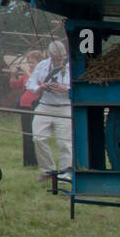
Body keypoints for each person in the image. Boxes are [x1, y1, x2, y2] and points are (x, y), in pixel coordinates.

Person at [28, 40, 72, 184]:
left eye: (61, 58)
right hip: (45, 105)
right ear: (50, 55)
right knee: (38, 138)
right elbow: (30, 83)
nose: (59, 60)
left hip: (65, 106)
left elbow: (78, 88)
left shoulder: (71, 67)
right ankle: (48, 171)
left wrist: (65, 89)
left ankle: (65, 175)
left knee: (64, 143)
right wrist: (40, 88)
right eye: (56, 58)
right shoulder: (42, 65)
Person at [9, 49, 44, 168]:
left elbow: (39, 85)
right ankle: (28, 161)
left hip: (34, 105)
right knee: (26, 133)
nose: (29, 65)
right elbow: (15, 85)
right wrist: (13, 74)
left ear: (39, 63)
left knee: (34, 133)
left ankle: (35, 160)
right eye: (28, 62)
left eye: (32, 62)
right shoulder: (26, 75)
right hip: (24, 106)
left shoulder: (41, 74)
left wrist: (28, 73)